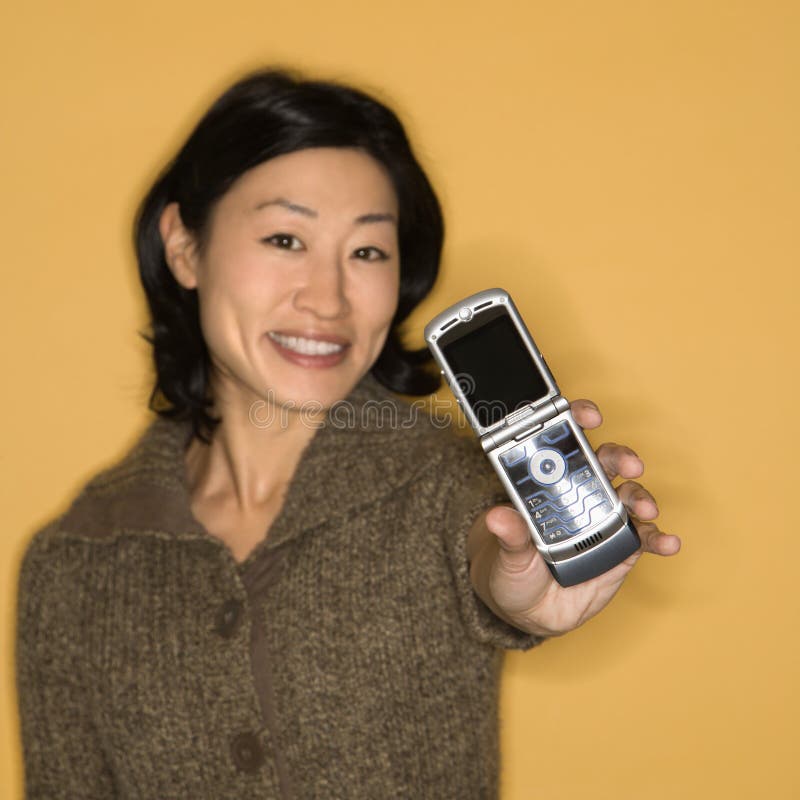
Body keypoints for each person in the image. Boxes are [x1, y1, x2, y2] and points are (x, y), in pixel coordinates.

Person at [16, 69, 680, 799]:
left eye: (367, 252)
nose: (328, 299)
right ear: (184, 246)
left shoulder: (447, 485)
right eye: (284, 238)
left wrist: (513, 592)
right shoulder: (74, 560)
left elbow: (488, 558)